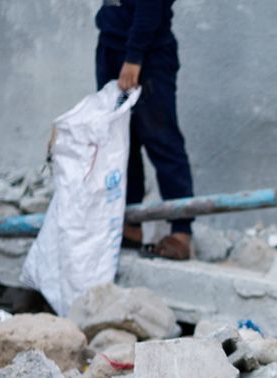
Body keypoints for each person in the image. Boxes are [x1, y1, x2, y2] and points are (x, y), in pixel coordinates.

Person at [95, 0, 194, 260]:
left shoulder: (139, 54)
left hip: (146, 56)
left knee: (162, 140)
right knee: (122, 142)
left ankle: (181, 232)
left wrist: (134, 56)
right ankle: (130, 225)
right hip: (112, 48)